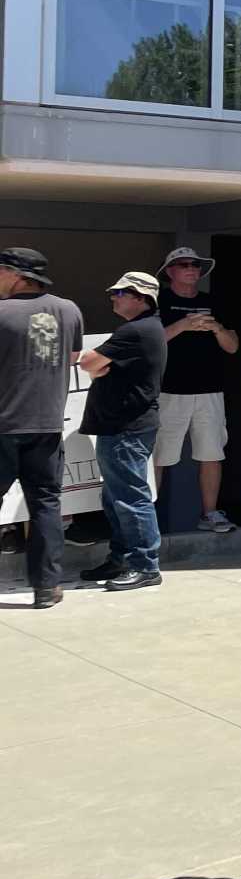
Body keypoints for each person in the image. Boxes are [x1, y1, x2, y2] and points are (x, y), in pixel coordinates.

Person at [0, 248, 84, 609]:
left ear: (15, 274)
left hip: (3, 423)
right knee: (46, 505)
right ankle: (47, 588)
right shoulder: (69, 310)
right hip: (48, 423)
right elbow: (73, 359)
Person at [77, 272, 167, 592]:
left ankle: (145, 565)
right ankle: (122, 558)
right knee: (116, 497)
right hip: (123, 428)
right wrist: (99, 365)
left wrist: (98, 364)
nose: (113, 296)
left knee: (129, 497)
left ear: (140, 298)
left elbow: (89, 362)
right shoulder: (143, 329)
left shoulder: (136, 331)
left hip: (126, 429)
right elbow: (95, 365)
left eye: (120, 292)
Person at [155, 246, 239, 533]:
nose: (192, 269)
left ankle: (211, 513)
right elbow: (147, 342)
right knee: (160, 455)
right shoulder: (158, 301)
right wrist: (183, 325)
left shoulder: (213, 301)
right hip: (169, 391)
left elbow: (233, 346)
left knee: (211, 452)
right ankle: (149, 515)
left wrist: (216, 329)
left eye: (196, 265)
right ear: (170, 272)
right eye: (184, 264)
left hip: (210, 390)